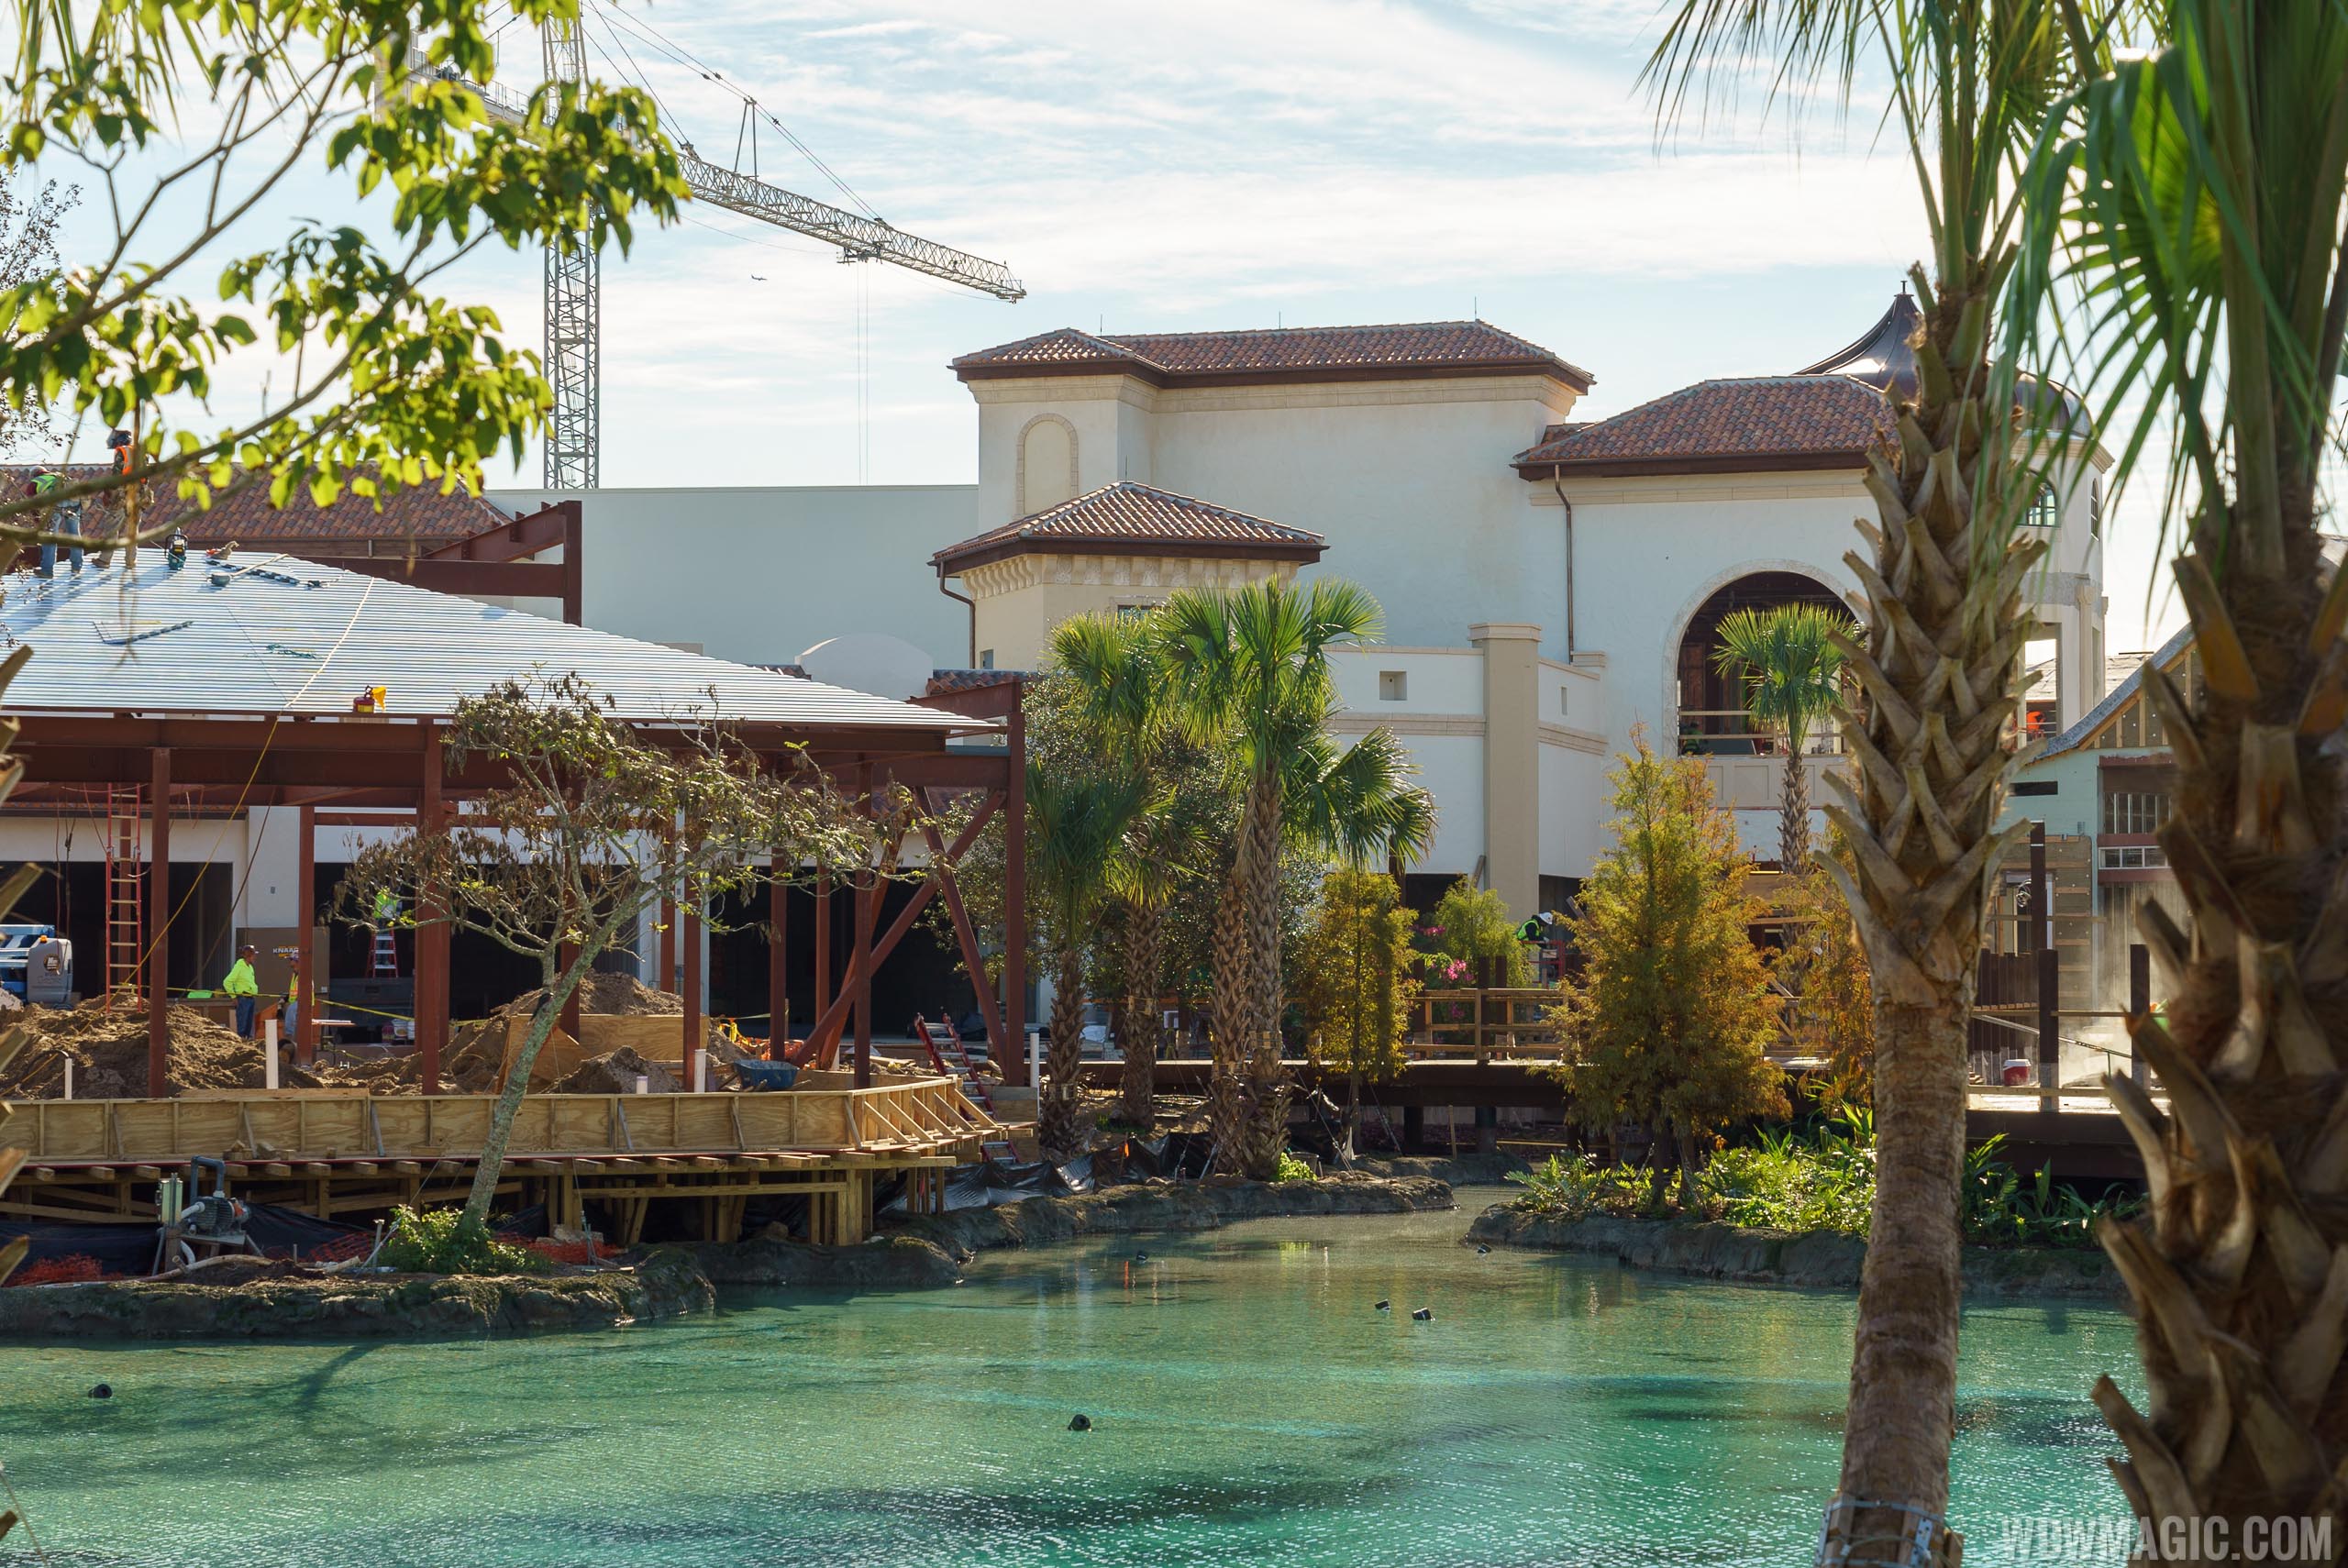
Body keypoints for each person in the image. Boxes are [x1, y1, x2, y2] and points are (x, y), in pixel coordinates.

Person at [223, 944, 261, 1039]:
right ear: (249, 956)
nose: (255, 957)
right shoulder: (239, 966)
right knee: (242, 1026)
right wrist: (233, 997)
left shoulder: (250, 967)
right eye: (253, 955)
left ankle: (248, 1042)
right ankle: (242, 1043)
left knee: (249, 1025)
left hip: (251, 998)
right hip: (243, 999)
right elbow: (227, 982)